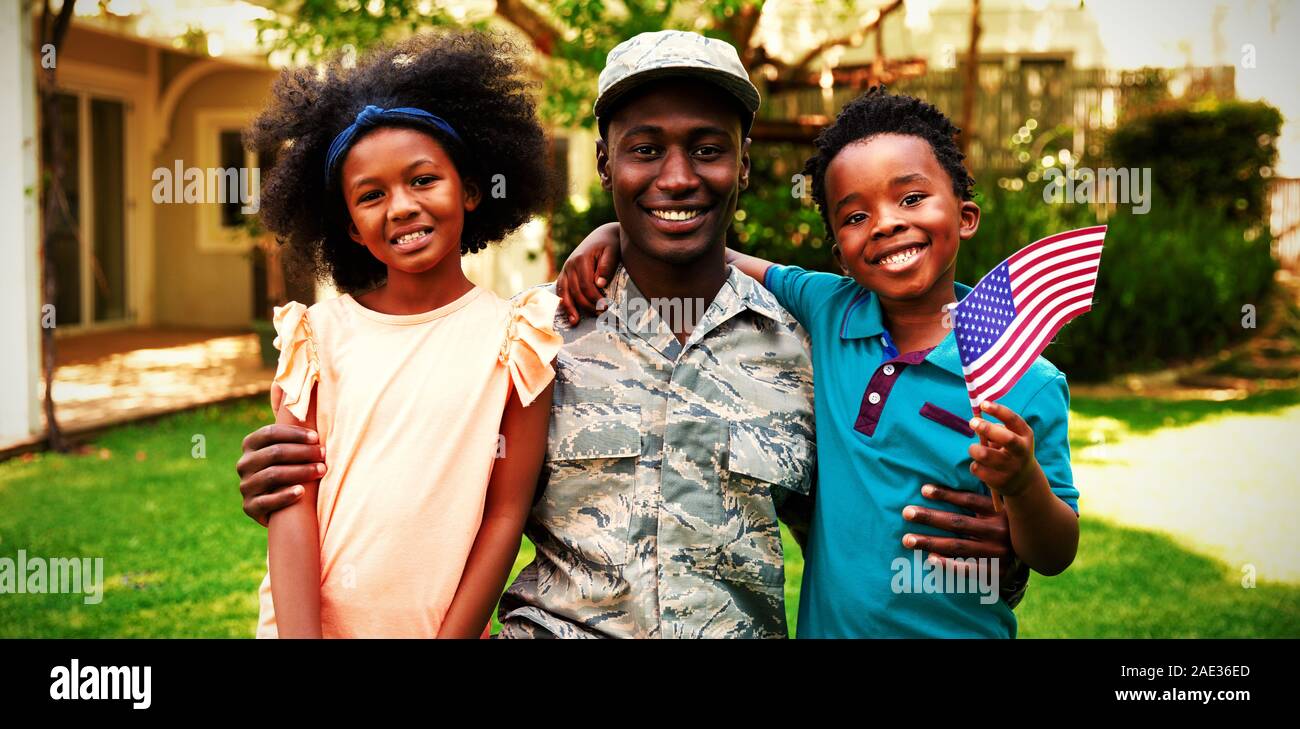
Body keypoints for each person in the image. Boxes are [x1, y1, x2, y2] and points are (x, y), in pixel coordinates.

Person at [237, 31, 1029, 639]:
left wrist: (999, 536)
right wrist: (287, 473)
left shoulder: (811, 347)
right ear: (608, 163)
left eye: (707, 148)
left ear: (745, 165)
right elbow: (398, 467)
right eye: (645, 149)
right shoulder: (530, 339)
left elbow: (868, 508)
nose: (677, 176)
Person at [561, 87, 1078, 637]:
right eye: (856, 215)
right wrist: (617, 232)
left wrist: (1023, 487)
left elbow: (1055, 552)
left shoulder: (1025, 378)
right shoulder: (831, 310)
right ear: (839, 252)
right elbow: (720, 254)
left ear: (966, 215)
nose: (885, 224)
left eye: (910, 199)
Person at [246, 32, 561, 638]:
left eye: (423, 180)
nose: (401, 207)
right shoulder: (313, 337)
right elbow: (292, 503)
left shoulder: (517, 339)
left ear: (469, 191)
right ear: (352, 229)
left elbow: (505, 513)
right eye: (372, 195)